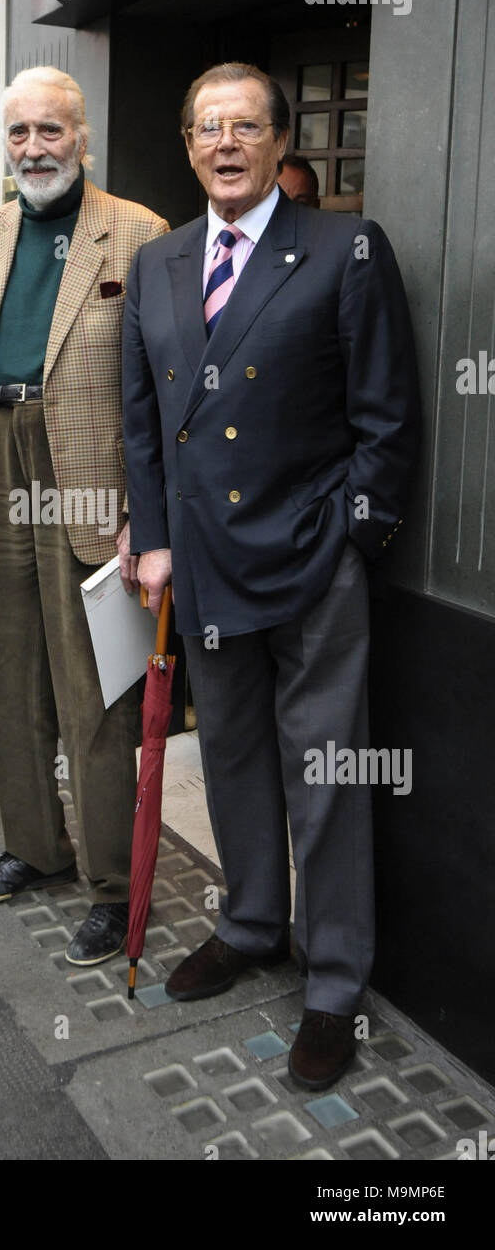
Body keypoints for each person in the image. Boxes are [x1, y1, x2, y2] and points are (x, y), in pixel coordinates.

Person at [123, 62, 419, 1086]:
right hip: (199, 566)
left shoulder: (344, 248)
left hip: (309, 562)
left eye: (247, 125)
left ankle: (334, 980)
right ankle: (250, 921)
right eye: (208, 127)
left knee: (325, 776)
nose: (226, 143)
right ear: (189, 145)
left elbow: (388, 418)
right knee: (236, 756)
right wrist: (152, 536)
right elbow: (145, 422)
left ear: (280, 140)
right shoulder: (160, 262)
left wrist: (352, 538)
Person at [0, 67, 169, 966]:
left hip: (95, 486)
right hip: (5, 465)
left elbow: (159, 387)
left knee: (96, 699)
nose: (33, 148)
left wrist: (145, 515)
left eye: (50, 131)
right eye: (18, 134)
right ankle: (36, 847)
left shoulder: (140, 231)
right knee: (5, 680)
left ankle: (116, 890)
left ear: (83, 136)